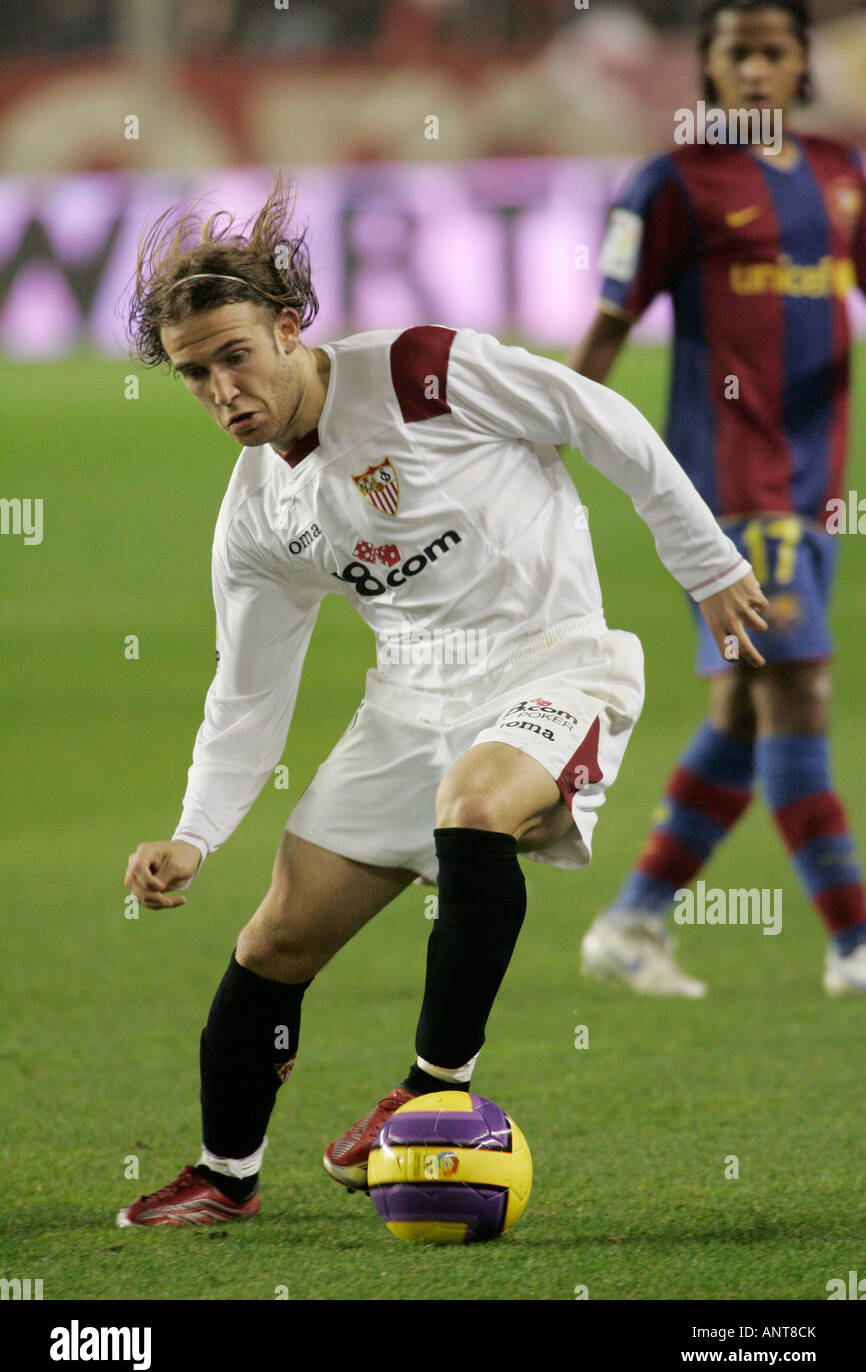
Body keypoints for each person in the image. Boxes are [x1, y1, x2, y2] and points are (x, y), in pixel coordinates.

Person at [118, 175, 766, 1227]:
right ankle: (224, 1174)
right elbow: (247, 691)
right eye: (194, 374)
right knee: (272, 941)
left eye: (235, 355)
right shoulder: (258, 514)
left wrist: (704, 562)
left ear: (289, 328)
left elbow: (595, 416)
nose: (221, 389)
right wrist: (194, 834)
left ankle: (429, 1093)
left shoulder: (422, 372)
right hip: (406, 706)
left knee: (473, 804)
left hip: (554, 664)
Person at [575, 0, 866, 998]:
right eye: (731, 52)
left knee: (745, 710)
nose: (751, 70)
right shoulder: (670, 184)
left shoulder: (838, 176)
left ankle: (630, 921)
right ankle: (852, 942)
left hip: (814, 482)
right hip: (731, 487)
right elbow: (607, 326)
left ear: (797, 65)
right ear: (704, 67)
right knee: (798, 692)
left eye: (770, 51)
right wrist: (545, 433)